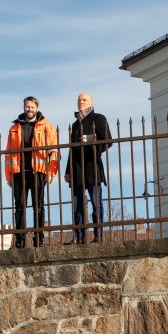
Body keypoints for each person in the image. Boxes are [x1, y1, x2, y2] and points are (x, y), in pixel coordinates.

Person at [5, 97, 59, 248]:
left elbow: (54, 150)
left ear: (37, 108)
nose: (29, 109)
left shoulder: (46, 126)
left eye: (32, 106)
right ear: (24, 107)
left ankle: (39, 239)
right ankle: (20, 241)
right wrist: (9, 175)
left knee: (39, 206)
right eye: (27, 106)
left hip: (38, 171)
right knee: (20, 207)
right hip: (19, 172)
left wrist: (51, 172)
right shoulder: (15, 128)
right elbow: (8, 154)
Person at [64, 92, 111, 243]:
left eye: (84, 100)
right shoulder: (75, 124)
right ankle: (79, 237)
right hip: (77, 168)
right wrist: (67, 170)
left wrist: (92, 146)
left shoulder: (98, 118)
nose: (81, 102)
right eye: (79, 100)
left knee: (96, 203)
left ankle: (98, 236)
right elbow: (72, 149)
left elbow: (108, 141)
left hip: (93, 166)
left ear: (91, 103)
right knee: (77, 205)